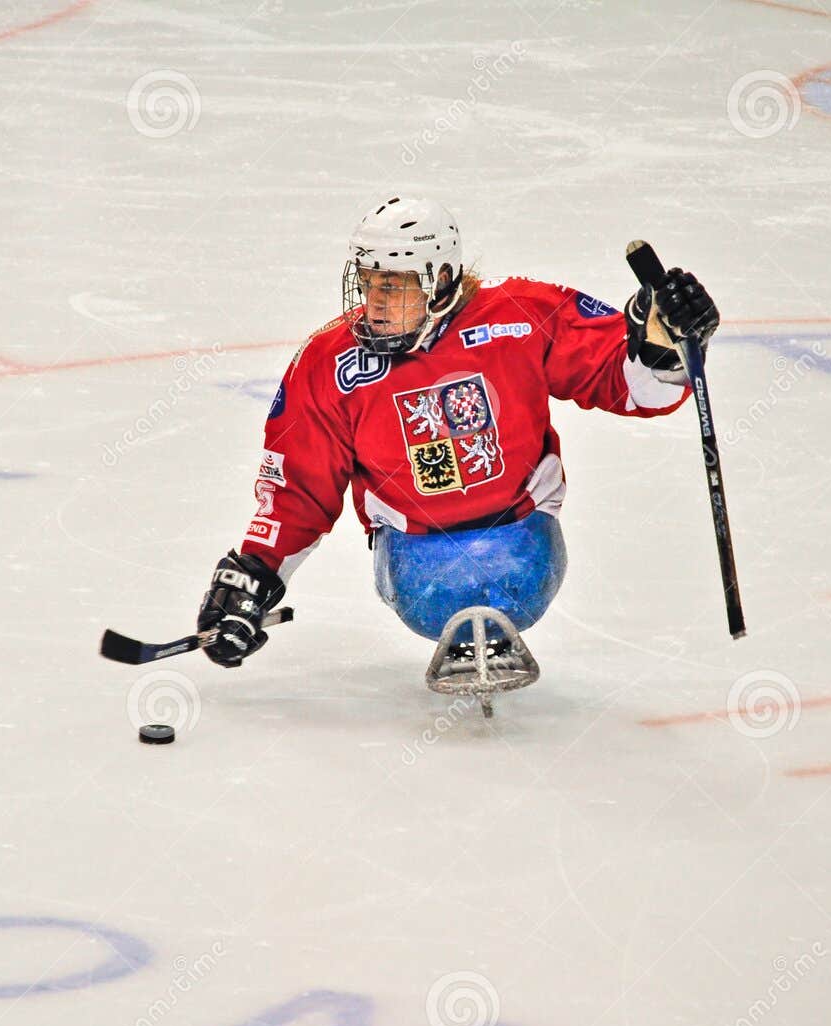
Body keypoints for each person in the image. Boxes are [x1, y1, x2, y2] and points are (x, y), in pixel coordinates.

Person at [196, 194, 719, 686]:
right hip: (414, 566)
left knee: (511, 560)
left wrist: (661, 347)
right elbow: (299, 489)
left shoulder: (521, 314)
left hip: (524, 550)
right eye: (369, 281)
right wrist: (253, 577)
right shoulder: (328, 364)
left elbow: (629, 386)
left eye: (395, 286)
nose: (375, 302)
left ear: (441, 280)